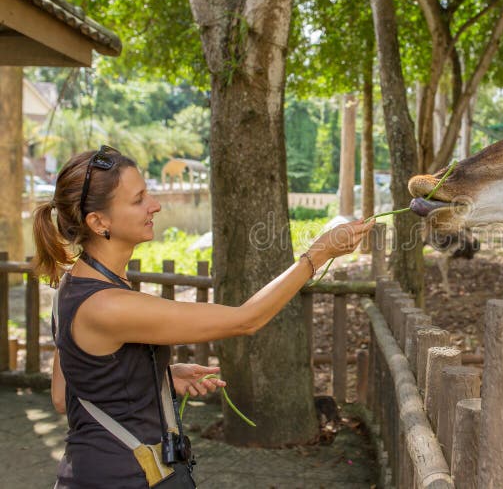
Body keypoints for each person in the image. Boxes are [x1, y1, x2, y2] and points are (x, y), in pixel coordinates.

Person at [33, 146, 373, 489]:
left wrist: (155, 379)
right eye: (138, 200)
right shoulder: (107, 305)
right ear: (98, 221)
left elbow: (65, 395)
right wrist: (318, 255)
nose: (155, 204)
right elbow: (246, 320)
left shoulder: (73, 285)